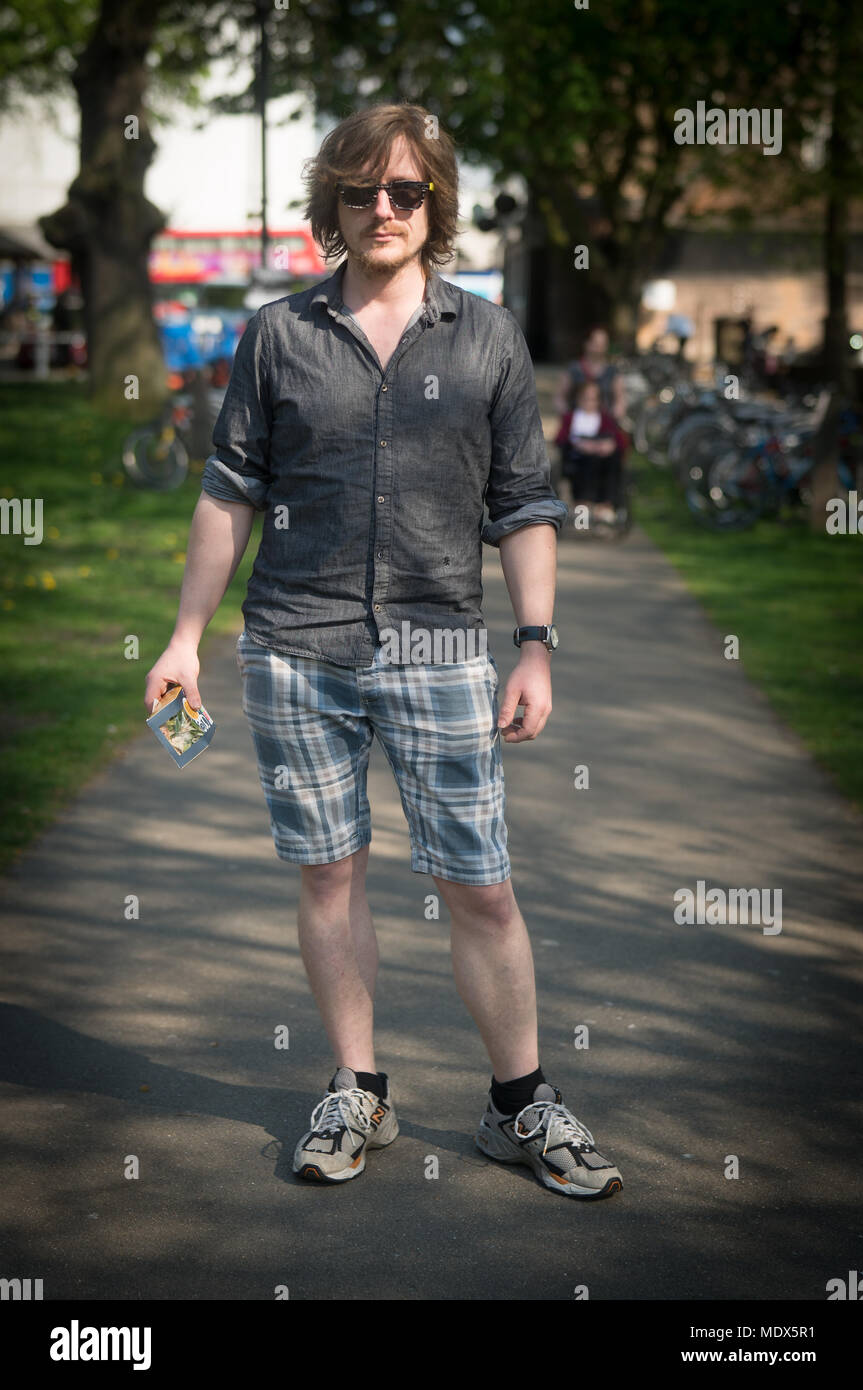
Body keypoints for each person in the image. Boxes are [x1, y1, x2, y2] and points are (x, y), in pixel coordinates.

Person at [144, 103, 623, 1201]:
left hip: (439, 648)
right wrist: (183, 638)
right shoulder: (277, 332)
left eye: (404, 191)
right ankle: (357, 1087)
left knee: (482, 886)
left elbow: (524, 502)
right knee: (328, 875)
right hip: (293, 646)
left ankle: (519, 1103)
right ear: (334, 205)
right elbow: (229, 494)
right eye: (361, 191)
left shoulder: (488, 334)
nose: (382, 209)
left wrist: (535, 646)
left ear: (433, 204)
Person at [556, 379, 629, 525]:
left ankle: (605, 505)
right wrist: (578, 444)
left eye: (593, 399)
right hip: (578, 459)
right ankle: (583, 505)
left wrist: (610, 445)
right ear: (578, 399)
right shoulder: (571, 418)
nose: (589, 402)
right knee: (587, 461)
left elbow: (619, 441)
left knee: (612, 459)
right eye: (586, 398)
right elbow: (560, 439)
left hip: (602, 460)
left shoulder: (605, 418)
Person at [553, 325, 626, 424]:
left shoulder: (613, 372)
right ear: (587, 343)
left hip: (604, 426)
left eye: (603, 344)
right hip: (577, 425)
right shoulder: (573, 369)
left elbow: (620, 399)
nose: (599, 348)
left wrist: (615, 414)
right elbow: (560, 397)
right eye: (596, 343)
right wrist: (568, 417)